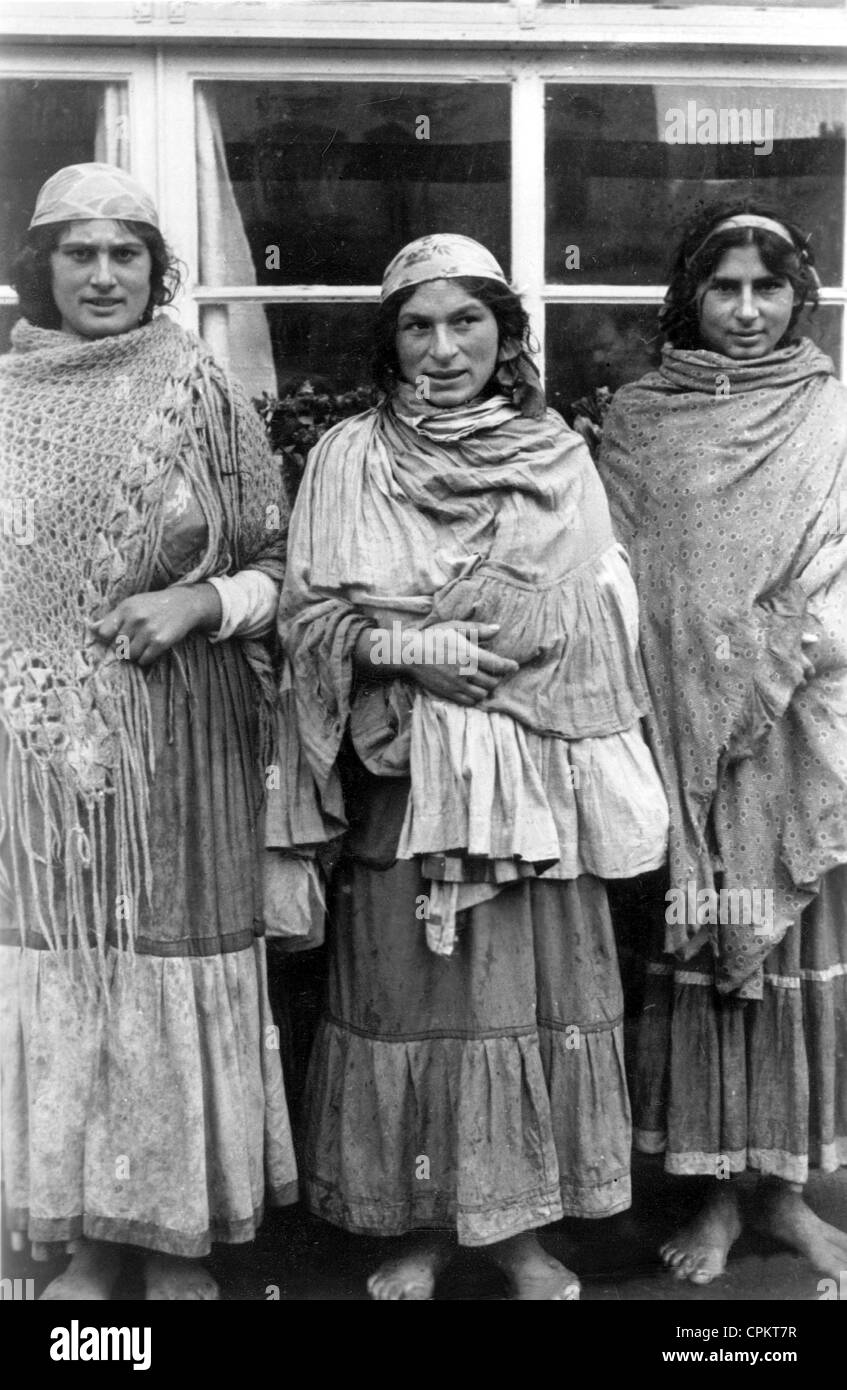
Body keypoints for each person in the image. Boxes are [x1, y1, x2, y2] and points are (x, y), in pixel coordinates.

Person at [269, 232, 669, 1299]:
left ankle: (518, 1233)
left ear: (505, 334)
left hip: (530, 781)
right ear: (388, 340)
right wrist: (401, 647)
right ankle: (424, 1223)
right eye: (417, 325)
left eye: (467, 322)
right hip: (404, 780)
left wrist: (487, 653)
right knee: (412, 992)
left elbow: (600, 625)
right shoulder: (350, 454)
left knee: (527, 993)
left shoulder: (556, 458)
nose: (443, 348)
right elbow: (308, 616)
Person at [0, 163, 298, 1300]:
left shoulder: (200, 389)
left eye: (127, 252)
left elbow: (278, 559)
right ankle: (83, 1241)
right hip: (34, 758)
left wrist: (201, 601)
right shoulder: (6, 398)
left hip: (182, 732)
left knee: (167, 956)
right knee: (70, 967)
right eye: (80, 253)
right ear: (43, 269)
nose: (105, 273)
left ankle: (176, 1242)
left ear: (156, 271)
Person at [598, 201, 847, 1284]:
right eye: (722, 288)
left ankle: (785, 1197)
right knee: (699, 943)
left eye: (769, 286)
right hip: (683, 733)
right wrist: (696, 680)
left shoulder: (834, 414)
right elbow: (619, 578)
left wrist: (772, 661)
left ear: (801, 295)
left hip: (797, 732)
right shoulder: (640, 420)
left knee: (784, 944)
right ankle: (708, 1195)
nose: (746, 311)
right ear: (687, 298)